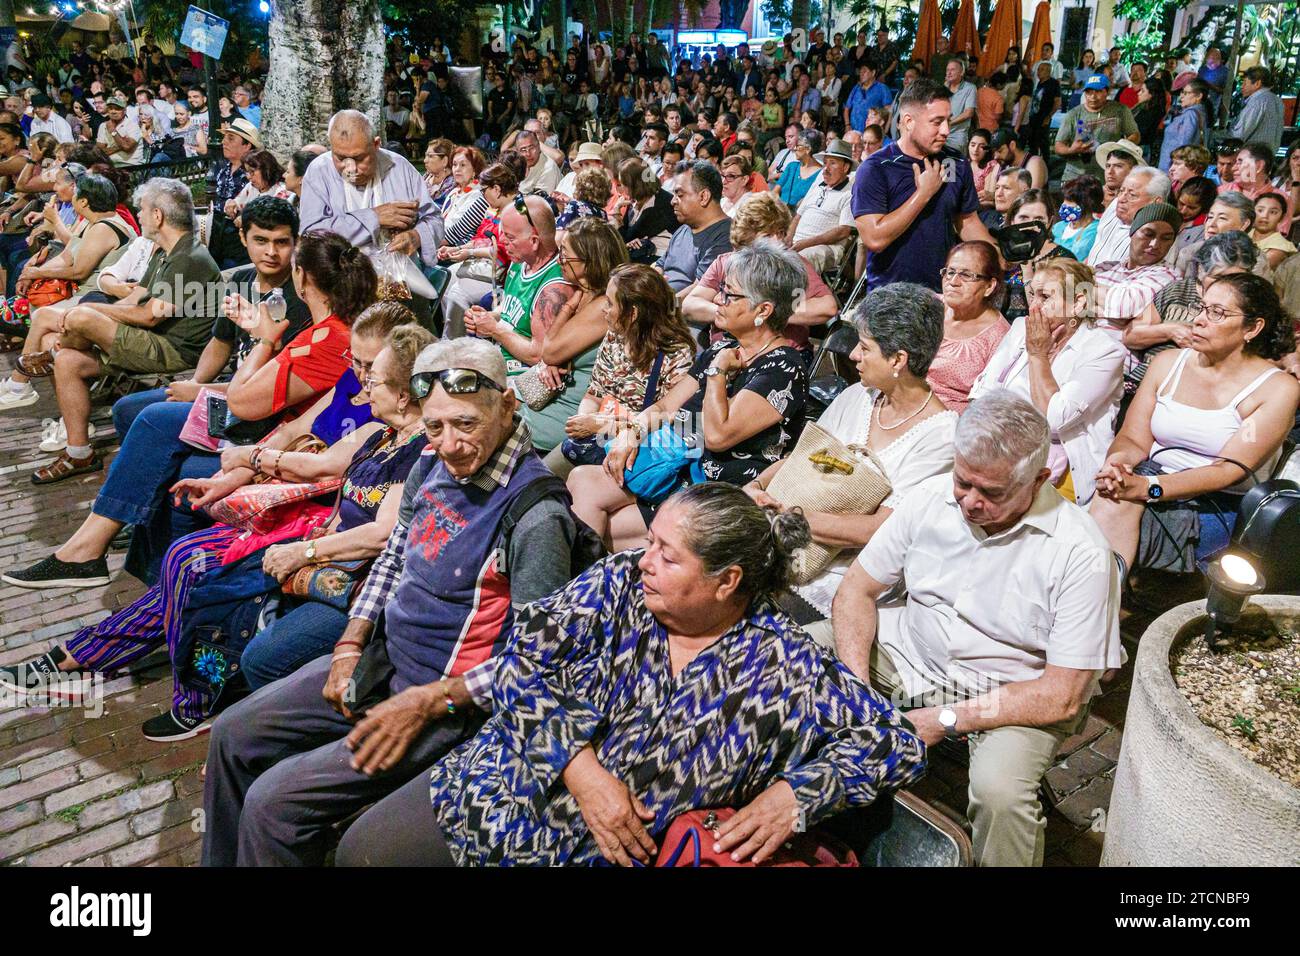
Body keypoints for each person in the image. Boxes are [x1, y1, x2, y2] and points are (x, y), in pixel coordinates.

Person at [337, 482, 925, 866]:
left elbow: (893, 743)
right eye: (650, 543)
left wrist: (793, 796)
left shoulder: (782, 662)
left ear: (728, 582)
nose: (646, 561)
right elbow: (519, 662)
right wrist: (583, 771)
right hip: (497, 792)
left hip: (595, 857)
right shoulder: (618, 586)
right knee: (363, 851)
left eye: (669, 556)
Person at [201, 337, 580, 866]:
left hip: (447, 709)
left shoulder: (536, 516)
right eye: (434, 426)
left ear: (508, 405)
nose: (449, 444)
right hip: (384, 665)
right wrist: (350, 644)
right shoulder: (431, 467)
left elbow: (537, 661)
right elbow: (393, 560)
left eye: (466, 424)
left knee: (274, 805)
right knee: (232, 734)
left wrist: (428, 702)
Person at [0, 322, 431, 736]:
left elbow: (365, 516)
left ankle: (186, 692)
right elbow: (296, 440)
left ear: (405, 389)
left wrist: (265, 485)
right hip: (301, 513)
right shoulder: (372, 419)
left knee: (192, 566)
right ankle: (90, 653)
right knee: (182, 557)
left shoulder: (414, 443)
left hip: (318, 533)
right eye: (355, 362)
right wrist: (236, 472)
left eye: (370, 370)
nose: (360, 378)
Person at [834, 390, 1123, 866]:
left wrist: (944, 720)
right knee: (801, 659)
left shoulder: (1081, 553)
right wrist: (855, 684)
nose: (970, 502)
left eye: (992, 493)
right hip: (909, 655)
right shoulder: (929, 499)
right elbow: (855, 591)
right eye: (963, 482)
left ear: (1039, 478)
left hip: (1007, 694)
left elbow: (1061, 695)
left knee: (1000, 794)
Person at [4, 225, 381, 590]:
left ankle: (99, 552)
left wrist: (264, 339)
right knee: (138, 414)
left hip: (281, 443)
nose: (271, 251)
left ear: (302, 276)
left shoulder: (325, 335)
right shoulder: (292, 308)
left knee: (155, 427)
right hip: (275, 431)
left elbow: (246, 401)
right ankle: (114, 552)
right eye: (261, 240)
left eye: (282, 243)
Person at [570, 240, 809, 552]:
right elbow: (668, 405)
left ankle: (584, 592)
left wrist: (718, 374)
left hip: (717, 494)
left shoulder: (782, 368)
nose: (718, 301)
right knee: (581, 487)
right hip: (677, 469)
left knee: (589, 505)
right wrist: (633, 431)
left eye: (730, 295)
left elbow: (718, 435)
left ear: (763, 310)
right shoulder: (723, 348)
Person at [748, 284, 957, 630]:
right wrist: (753, 487)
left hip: (844, 575)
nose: (854, 356)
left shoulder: (941, 436)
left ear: (898, 360)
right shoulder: (857, 396)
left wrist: (786, 515)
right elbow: (800, 460)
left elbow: (880, 530)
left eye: (865, 347)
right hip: (784, 536)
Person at [1090, 273, 1298, 576]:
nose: (1199, 320)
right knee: (1109, 496)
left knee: (1103, 518)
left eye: (1217, 313)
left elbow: (1227, 470)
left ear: (1252, 328)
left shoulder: (1277, 389)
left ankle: (1094, 603)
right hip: (1149, 477)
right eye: (1202, 308)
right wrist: (1117, 466)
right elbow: (1133, 439)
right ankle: (1097, 599)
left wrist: (1149, 489)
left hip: (1214, 502)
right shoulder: (1167, 363)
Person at [971, 259, 1125, 506]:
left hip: (1060, 466)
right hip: (1000, 447)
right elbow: (982, 392)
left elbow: (1055, 420)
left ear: (1078, 303)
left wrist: (1037, 354)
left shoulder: (1105, 351)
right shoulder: (1022, 327)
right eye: (1032, 295)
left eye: (1045, 297)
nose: (1034, 306)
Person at [545, 263, 695, 479]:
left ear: (632, 313)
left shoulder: (676, 354)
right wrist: (583, 421)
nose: (604, 310)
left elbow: (668, 422)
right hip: (598, 437)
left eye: (609, 303)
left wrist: (600, 425)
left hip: (635, 451)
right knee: (542, 477)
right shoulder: (616, 335)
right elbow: (594, 393)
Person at [853, 79, 996, 292]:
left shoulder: (954, 162)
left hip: (943, 293)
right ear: (909, 121)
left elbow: (967, 221)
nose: (947, 130)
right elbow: (875, 238)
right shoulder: (876, 168)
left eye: (947, 120)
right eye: (937, 122)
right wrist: (923, 194)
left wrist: (998, 255)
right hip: (890, 296)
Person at [298, 110, 444, 277]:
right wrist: (374, 218)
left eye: (359, 158)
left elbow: (434, 220)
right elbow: (311, 235)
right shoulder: (319, 172)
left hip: (401, 282)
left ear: (376, 145)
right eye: (340, 158)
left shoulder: (400, 168)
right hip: (339, 285)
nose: (350, 168)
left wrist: (416, 236)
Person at [1123, 232, 1259, 394]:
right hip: (1146, 381)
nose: (1228, 285)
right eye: (1219, 277)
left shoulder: (1248, 303)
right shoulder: (1177, 290)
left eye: (1238, 278)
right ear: (1201, 269)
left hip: (1202, 389)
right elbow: (1131, 335)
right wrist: (1170, 331)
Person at [462, 194, 574, 383]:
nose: (502, 240)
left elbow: (538, 355)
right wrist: (490, 317)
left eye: (510, 236)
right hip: (496, 357)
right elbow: (509, 307)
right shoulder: (520, 259)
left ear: (534, 241)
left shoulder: (554, 288)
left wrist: (494, 330)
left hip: (520, 378)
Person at [929, 241, 1010, 412]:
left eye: (966, 275)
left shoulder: (1000, 336)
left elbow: (989, 404)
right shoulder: (927, 307)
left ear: (989, 286)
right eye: (949, 272)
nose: (953, 281)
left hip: (950, 422)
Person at [657, 160, 732, 293]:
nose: (673, 201)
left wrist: (663, 304)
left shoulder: (726, 237)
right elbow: (660, 264)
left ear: (704, 196)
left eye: (679, 195)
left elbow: (699, 291)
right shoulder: (684, 228)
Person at [1054, 75, 1139, 184]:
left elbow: (1135, 135)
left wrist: (1118, 148)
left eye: (1098, 92)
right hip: (1075, 176)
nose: (1093, 97)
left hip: (1107, 177)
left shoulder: (1120, 110)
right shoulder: (1073, 114)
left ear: (1107, 92)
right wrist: (1072, 150)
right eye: (1089, 92)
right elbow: (1058, 146)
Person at [787, 138, 855, 273]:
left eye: (832, 163)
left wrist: (806, 243)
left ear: (845, 167)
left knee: (799, 260)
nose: (825, 169)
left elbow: (843, 231)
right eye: (824, 164)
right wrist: (788, 238)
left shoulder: (850, 193)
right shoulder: (817, 187)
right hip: (798, 243)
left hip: (824, 247)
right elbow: (797, 216)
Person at [1087, 163, 1172, 267]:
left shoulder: (1156, 239)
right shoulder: (1115, 207)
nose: (1121, 199)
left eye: (1132, 195)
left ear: (1156, 203)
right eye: (1121, 191)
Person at [1173, 191, 1260, 277]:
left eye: (1222, 218)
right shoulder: (1189, 252)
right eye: (1210, 217)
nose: (1211, 224)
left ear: (1244, 224)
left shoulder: (1255, 261)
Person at [1222, 144, 1293, 236]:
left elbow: (1278, 240)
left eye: (1240, 162)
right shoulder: (1222, 192)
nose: (1233, 168)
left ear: (1259, 166)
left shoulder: (1283, 199)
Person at [1158, 78, 1210, 172]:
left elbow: (1182, 146)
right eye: (1182, 92)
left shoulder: (1190, 115)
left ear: (1198, 96)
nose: (1181, 96)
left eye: (1186, 93)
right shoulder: (1199, 113)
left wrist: (1173, 168)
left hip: (1172, 170)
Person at [1230, 67, 1284, 154]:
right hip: (1269, 155)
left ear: (1257, 83)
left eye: (1245, 83)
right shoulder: (1277, 100)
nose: (1242, 87)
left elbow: (1239, 135)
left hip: (1253, 155)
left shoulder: (1257, 101)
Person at [1052, 175, 1104, 261]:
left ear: (1087, 204)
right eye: (1065, 200)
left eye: (1071, 201)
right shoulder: (1058, 226)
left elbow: (1074, 258)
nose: (1064, 205)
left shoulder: (1095, 230)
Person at [772, 128, 823, 212]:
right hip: (780, 212)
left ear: (808, 149)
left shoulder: (820, 174)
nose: (795, 148)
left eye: (798, 146)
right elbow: (775, 191)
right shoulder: (791, 167)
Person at [1170, 174, 1217, 262]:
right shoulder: (1169, 216)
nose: (1183, 211)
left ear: (1204, 207)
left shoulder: (1204, 229)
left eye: (1192, 208)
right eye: (1181, 203)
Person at [94, 95, 144, 166]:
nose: (113, 111)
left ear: (124, 110)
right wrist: (120, 146)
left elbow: (127, 147)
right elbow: (99, 152)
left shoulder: (132, 126)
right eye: (110, 108)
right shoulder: (103, 126)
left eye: (117, 109)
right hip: (109, 165)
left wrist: (112, 131)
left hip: (130, 165)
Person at [843, 63, 891, 133]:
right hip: (854, 132)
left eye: (864, 71)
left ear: (873, 72)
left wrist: (886, 129)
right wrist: (847, 125)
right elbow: (847, 108)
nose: (861, 74)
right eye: (860, 72)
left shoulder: (882, 88)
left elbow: (889, 110)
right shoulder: (856, 88)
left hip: (873, 132)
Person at [943, 60, 977, 153]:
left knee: (955, 165)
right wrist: (943, 89)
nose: (949, 73)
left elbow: (969, 113)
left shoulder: (970, 88)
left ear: (961, 72)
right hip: (941, 133)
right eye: (947, 70)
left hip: (957, 137)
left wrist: (950, 123)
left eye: (952, 70)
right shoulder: (944, 87)